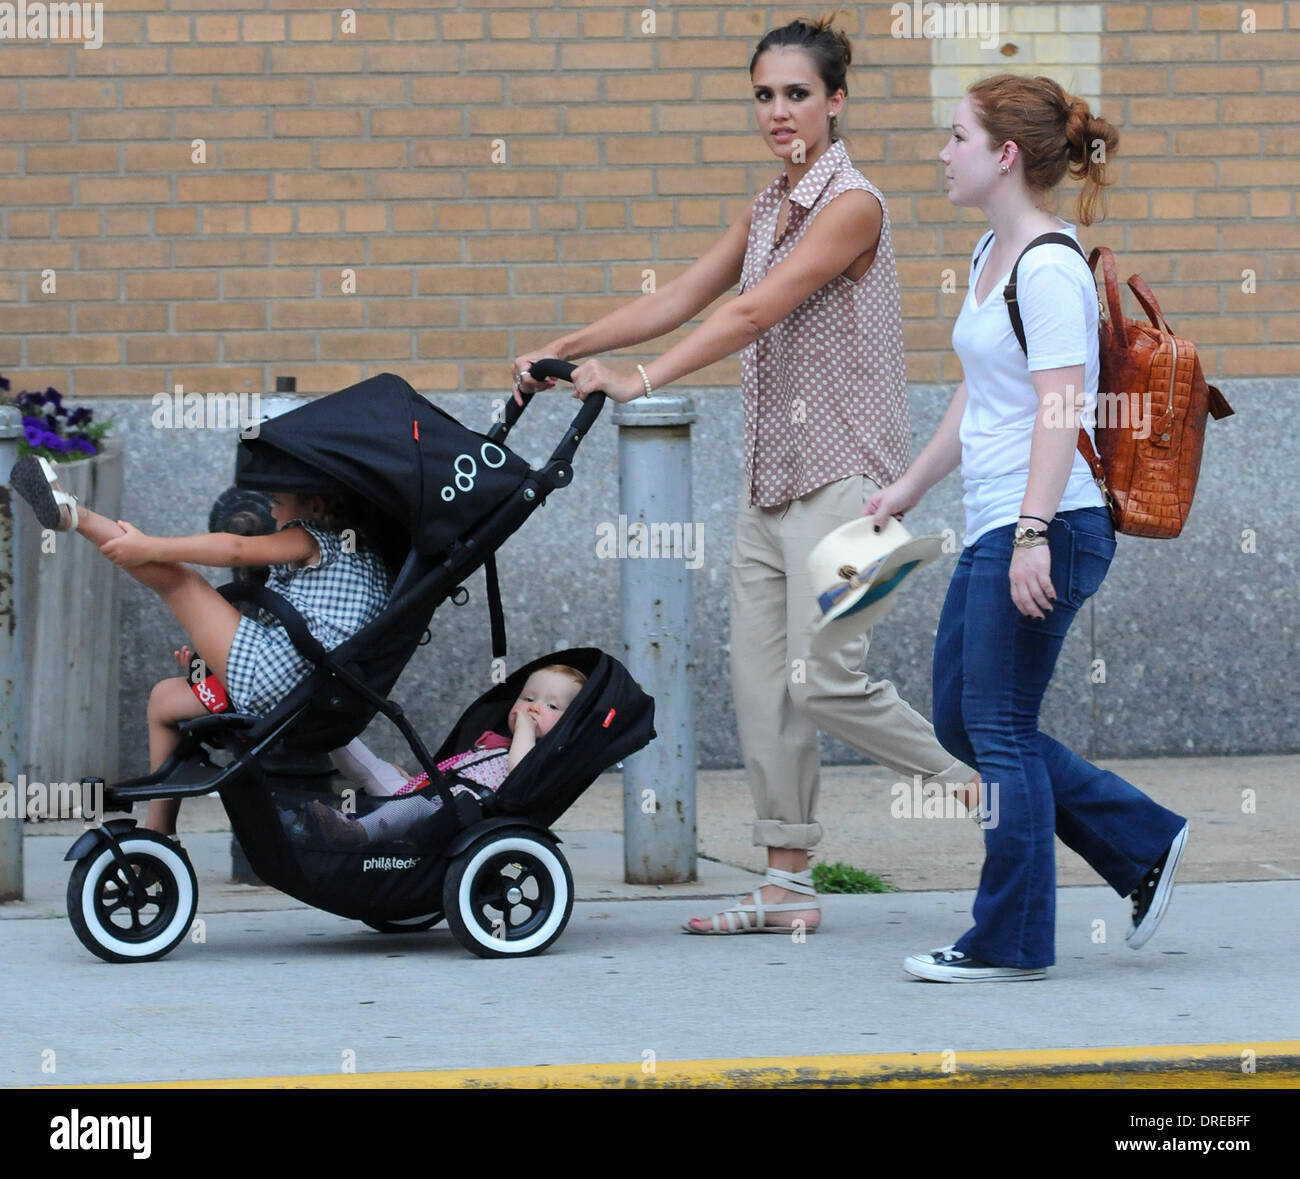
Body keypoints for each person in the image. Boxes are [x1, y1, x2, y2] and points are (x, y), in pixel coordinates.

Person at [512, 17, 976, 934]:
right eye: (764, 95)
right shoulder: (766, 206)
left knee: (825, 680)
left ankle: (980, 788)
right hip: (771, 484)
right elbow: (684, 295)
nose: (778, 111)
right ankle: (787, 883)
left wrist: (640, 380)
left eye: (797, 94)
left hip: (850, 482)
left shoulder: (854, 205)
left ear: (836, 100)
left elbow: (754, 310)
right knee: (764, 688)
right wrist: (565, 347)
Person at [865, 75, 1189, 982]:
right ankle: (1143, 839)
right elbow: (982, 393)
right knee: (963, 720)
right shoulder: (990, 253)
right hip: (1002, 519)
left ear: (1005, 155)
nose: (942, 153)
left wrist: (1033, 533)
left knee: (999, 727)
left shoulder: (1047, 267)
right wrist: (909, 486)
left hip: (1047, 522)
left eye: (957, 137)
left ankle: (1010, 939)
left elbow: (1060, 408)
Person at [8, 455, 392, 837]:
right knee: (165, 701)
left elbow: (236, 549)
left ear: (316, 506)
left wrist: (151, 547)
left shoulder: (312, 537)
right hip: (295, 689)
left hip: (273, 678)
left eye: (277, 502)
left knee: (180, 581)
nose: (272, 513)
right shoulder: (367, 559)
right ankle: (159, 835)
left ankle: (76, 516)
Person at [306, 664, 586, 845]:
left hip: (448, 814)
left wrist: (525, 728)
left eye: (551, 706)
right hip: (431, 793)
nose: (534, 708)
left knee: (412, 805)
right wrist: (418, 781)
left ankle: (354, 831)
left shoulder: (533, 756)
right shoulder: (497, 743)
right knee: (378, 771)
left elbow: (520, 770)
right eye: (528, 698)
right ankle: (330, 733)